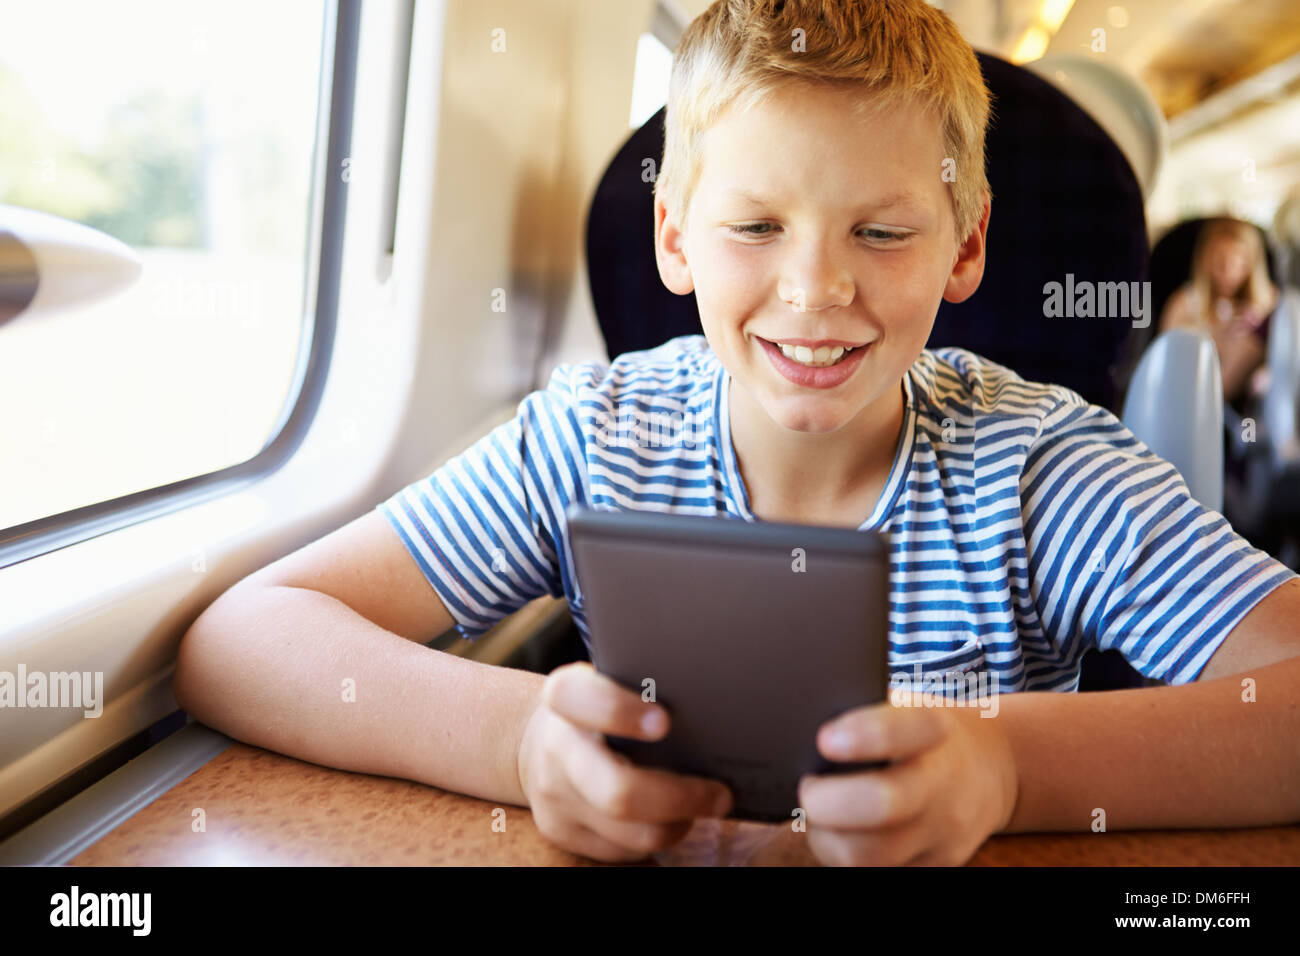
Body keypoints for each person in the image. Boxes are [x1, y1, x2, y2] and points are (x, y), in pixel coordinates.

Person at [174, 0, 1300, 866]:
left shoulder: (1041, 469)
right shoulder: (597, 438)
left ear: (965, 247)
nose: (814, 290)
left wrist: (1004, 768)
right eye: (755, 225)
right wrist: (521, 740)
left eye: (883, 229)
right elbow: (245, 638)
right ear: (675, 238)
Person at [1160, 217, 1279, 411]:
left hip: (1255, 404)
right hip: (1196, 395)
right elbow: (1167, 356)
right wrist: (1215, 336)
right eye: (1220, 259)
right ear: (1205, 259)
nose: (1228, 270)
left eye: (1238, 260)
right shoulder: (1184, 302)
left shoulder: (1271, 304)